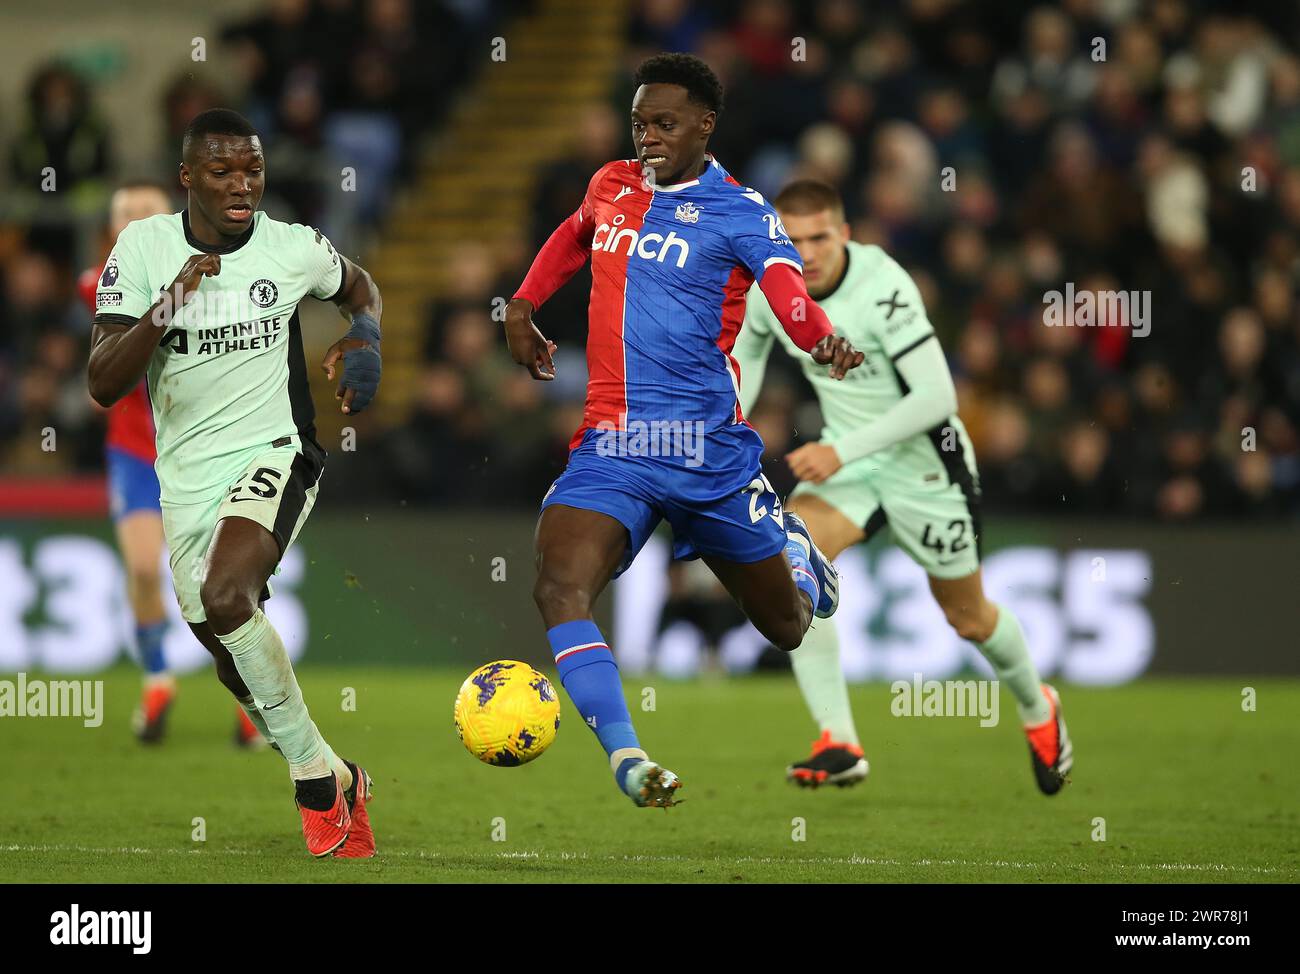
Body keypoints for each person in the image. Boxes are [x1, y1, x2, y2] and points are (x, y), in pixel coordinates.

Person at [504, 54, 863, 807]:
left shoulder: (742, 210)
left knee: (787, 627)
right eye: (639, 123)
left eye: (664, 124)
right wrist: (524, 303)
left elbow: (789, 296)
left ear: (705, 125)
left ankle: (797, 556)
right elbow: (575, 235)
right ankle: (627, 757)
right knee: (557, 586)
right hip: (614, 444)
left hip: (705, 452)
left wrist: (820, 337)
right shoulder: (612, 184)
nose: (647, 138)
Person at [87, 109, 383, 857]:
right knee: (222, 648)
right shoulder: (145, 249)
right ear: (187, 179)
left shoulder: (291, 248)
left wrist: (365, 338)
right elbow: (101, 381)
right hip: (185, 475)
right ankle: (339, 771)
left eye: (252, 170)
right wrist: (168, 303)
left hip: (278, 450)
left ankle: (313, 787)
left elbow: (360, 287)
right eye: (222, 172)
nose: (242, 185)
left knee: (227, 597)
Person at [734, 179, 1073, 795]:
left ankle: (1036, 706)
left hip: (925, 463)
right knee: (790, 564)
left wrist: (840, 449)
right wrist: (724, 428)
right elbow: (748, 359)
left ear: (844, 234)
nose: (805, 252)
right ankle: (839, 741)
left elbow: (939, 399)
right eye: (793, 238)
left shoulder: (883, 286)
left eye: (818, 238)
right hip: (853, 468)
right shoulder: (769, 288)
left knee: (968, 618)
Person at [78, 180, 262, 747]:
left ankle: (250, 696)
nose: (134, 225)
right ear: (112, 232)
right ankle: (158, 679)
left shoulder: (219, 278)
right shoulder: (97, 288)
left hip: (205, 447)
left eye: (145, 215)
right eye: (124, 216)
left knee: (226, 583)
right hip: (136, 449)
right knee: (140, 569)